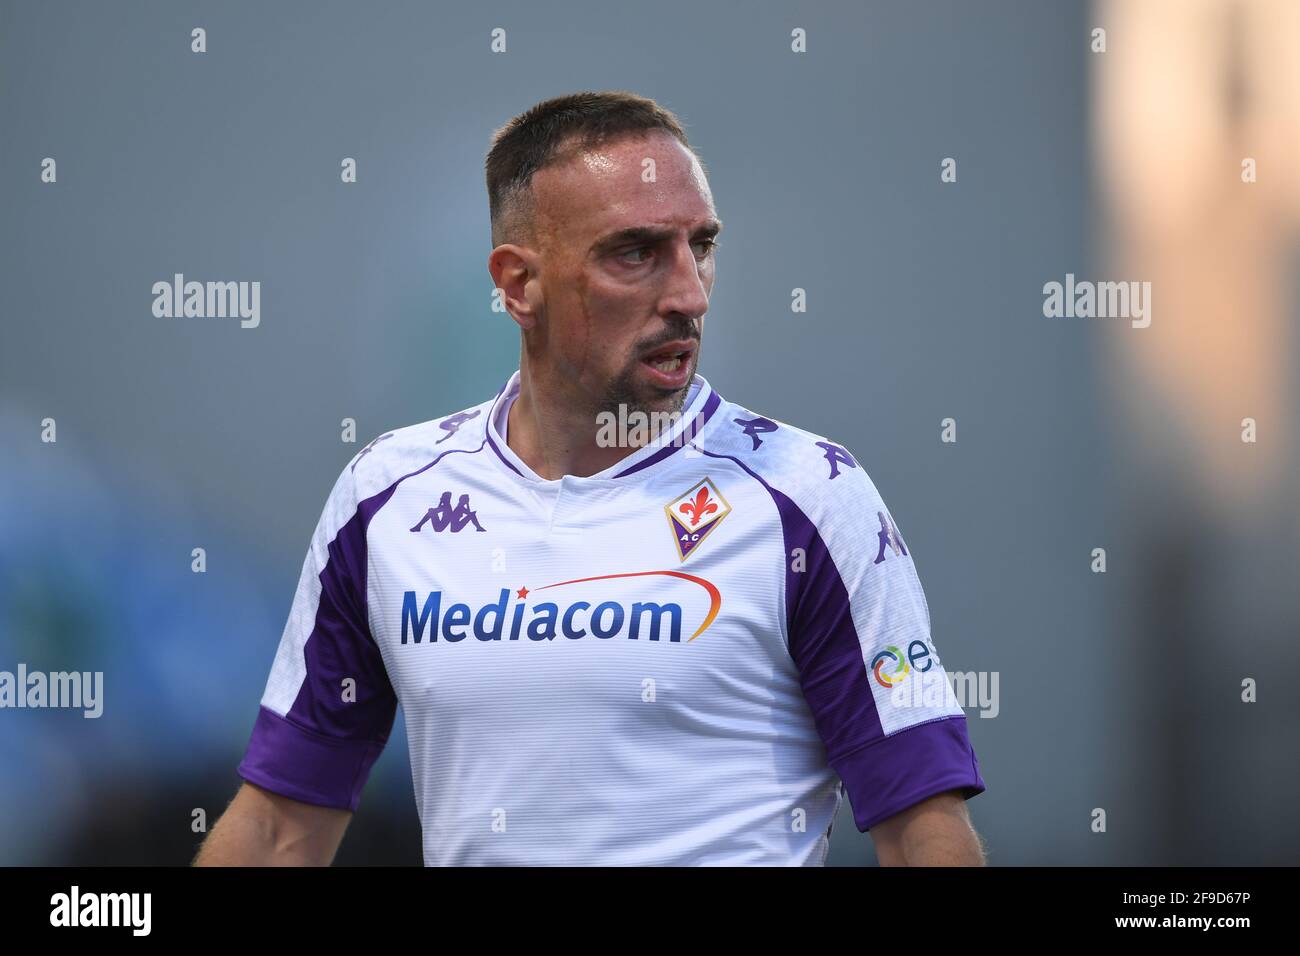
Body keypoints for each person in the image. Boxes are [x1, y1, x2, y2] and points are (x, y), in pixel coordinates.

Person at [194, 90, 986, 866]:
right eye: (635, 253)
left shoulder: (809, 496)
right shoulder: (385, 499)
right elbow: (279, 828)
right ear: (517, 284)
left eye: (700, 246)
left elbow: (922, 831)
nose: (688, 295)